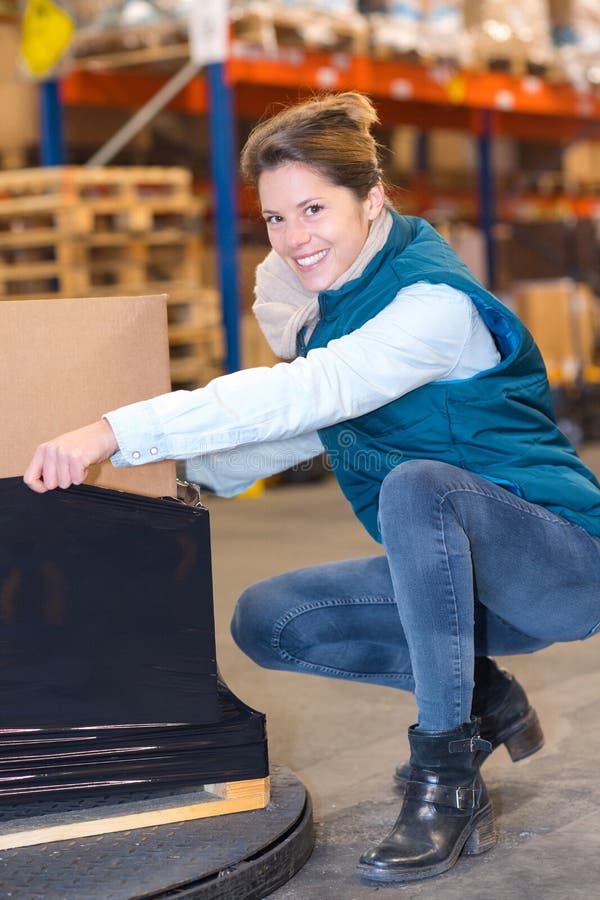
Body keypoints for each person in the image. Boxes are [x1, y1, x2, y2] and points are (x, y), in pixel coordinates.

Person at [24, 92, 600, 885]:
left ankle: (447, 776)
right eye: (275, 219)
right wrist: (164, 474)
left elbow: (310, 392)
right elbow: (303, 428)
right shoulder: (333, 303)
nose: (295, 239)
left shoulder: (429, 304)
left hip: (558, 562)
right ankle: (486, 700)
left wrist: (112, 431)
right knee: (272, 620)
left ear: (373, 198)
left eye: (313, 209)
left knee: (417, 486)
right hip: (459, 579)